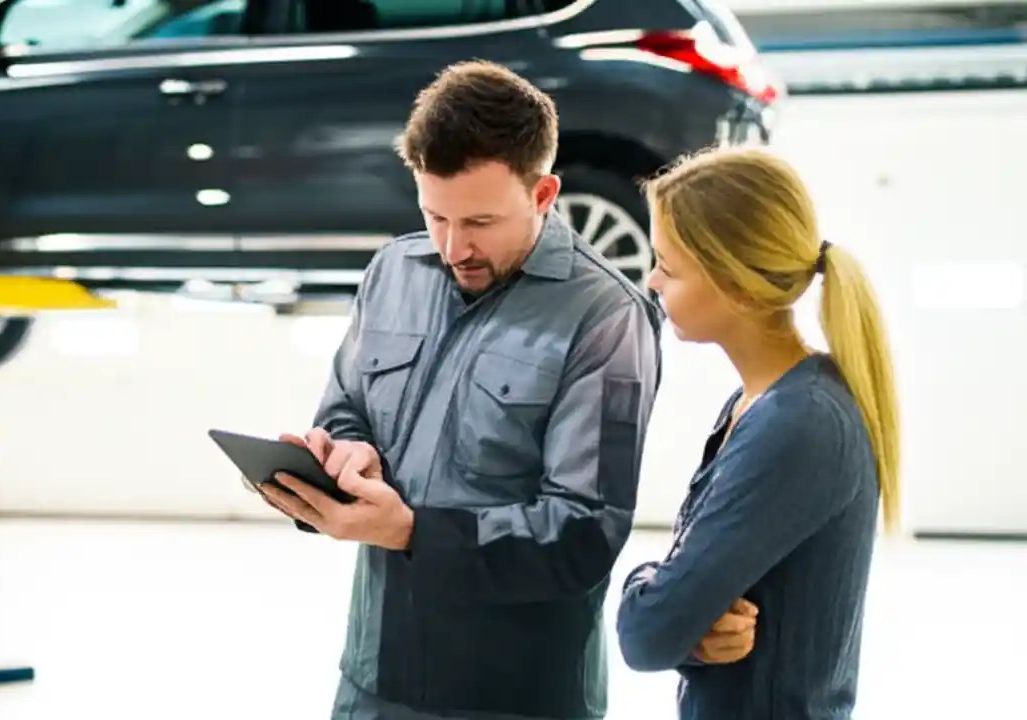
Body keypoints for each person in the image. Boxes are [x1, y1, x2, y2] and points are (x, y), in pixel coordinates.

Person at [257, 60, 663, 719]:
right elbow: (346, 404)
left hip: (513, 696)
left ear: (543, 194)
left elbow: (585, 531)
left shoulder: (606, 318)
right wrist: (349, 452)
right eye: (434, 215)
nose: (452, 247)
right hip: (372, 680)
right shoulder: (393, 271)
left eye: (479, 222)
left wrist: (414, 531)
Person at [614, 146, 901, 719]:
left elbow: (645, 632)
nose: (652, 281)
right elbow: (675, 614)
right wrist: (691, 634)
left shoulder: (799, 422)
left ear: (737, 286)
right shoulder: (758, 404)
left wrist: (656, 599)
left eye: (668, 267)